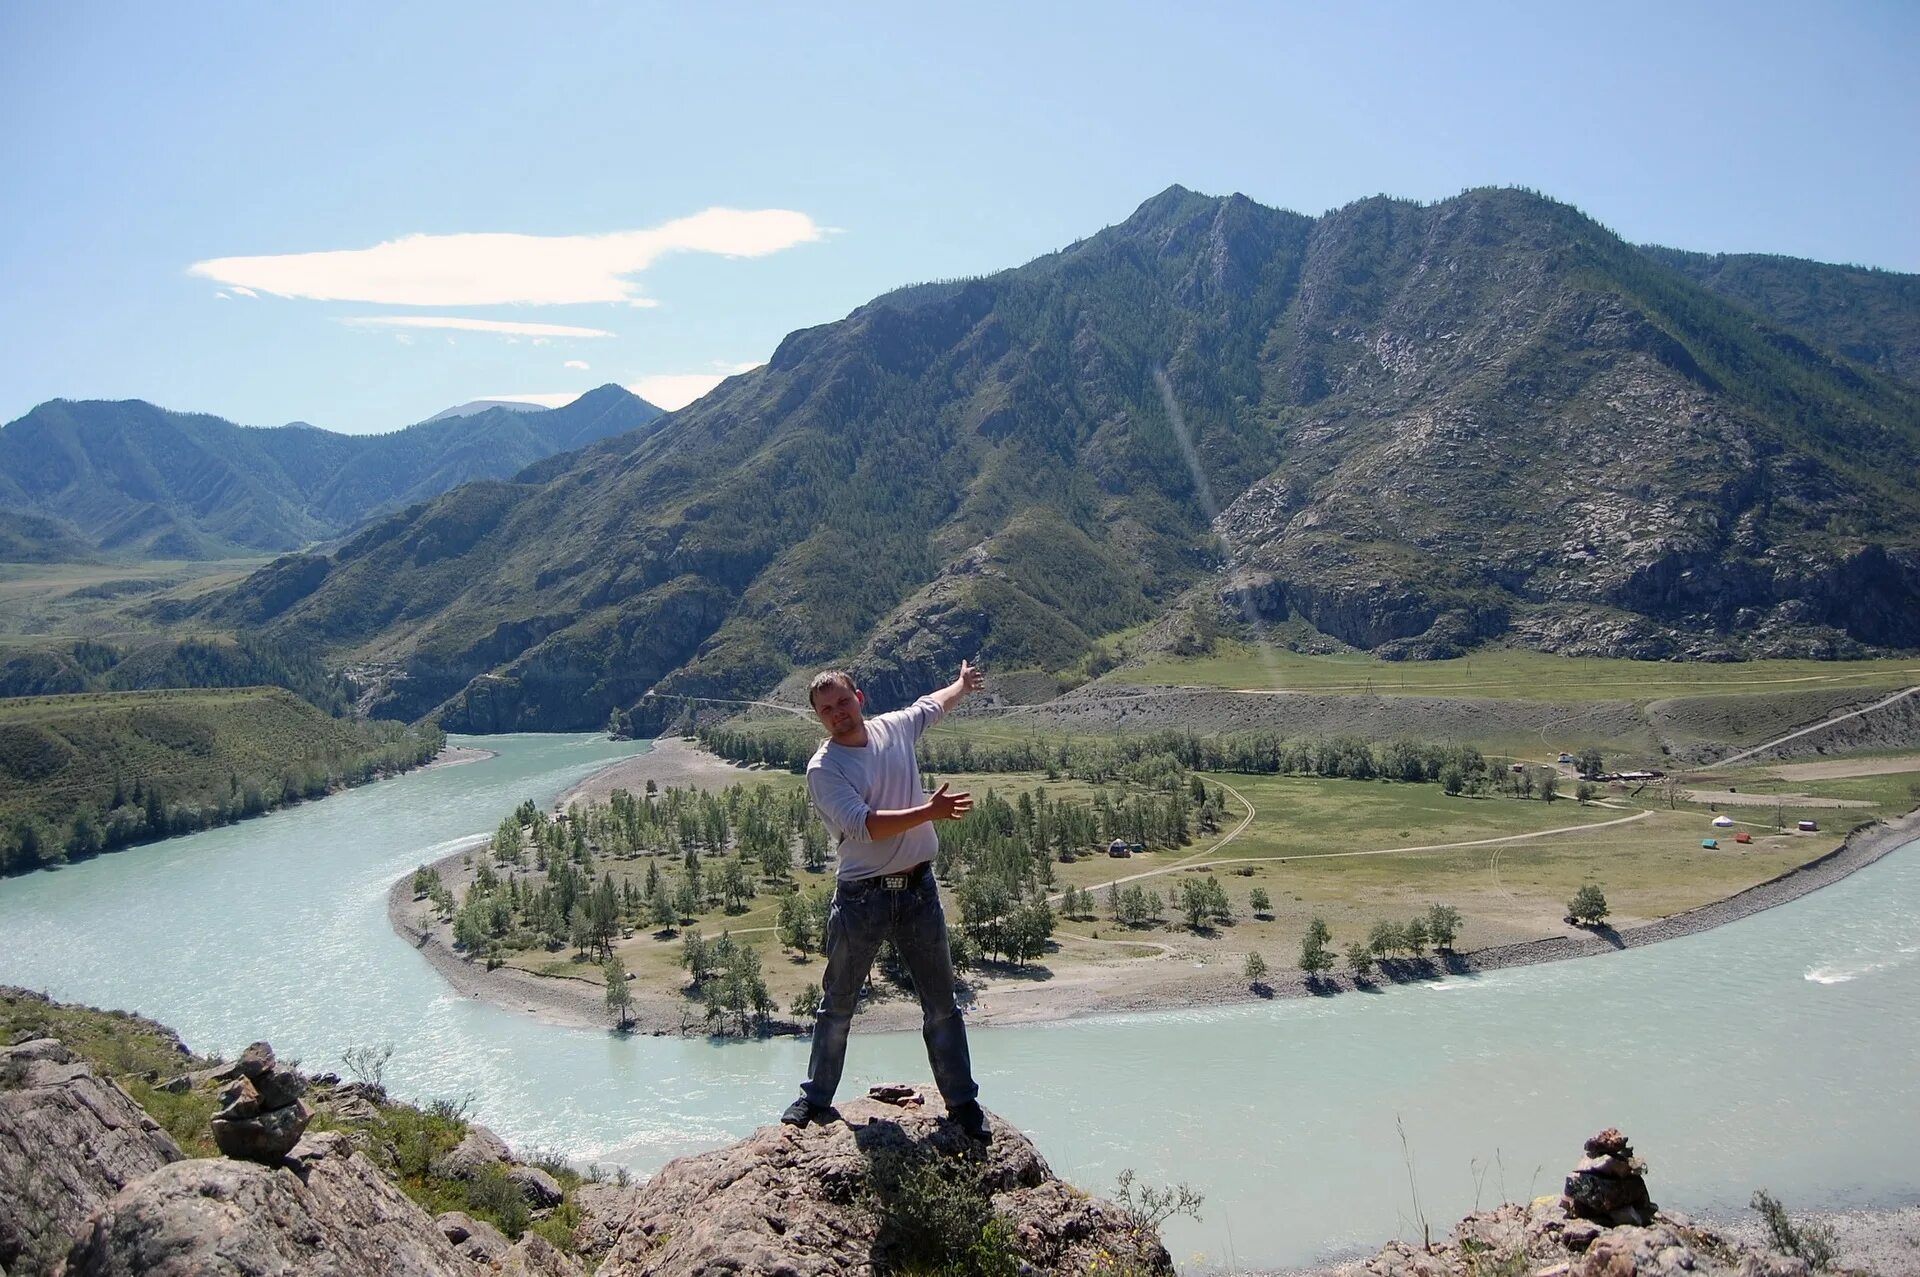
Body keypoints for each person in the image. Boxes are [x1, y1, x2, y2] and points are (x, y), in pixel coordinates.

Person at [782, 661, 989, 1141]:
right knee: (838, 1004)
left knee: (942, 1004)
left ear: (861, 698)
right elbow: (865, 826)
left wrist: (961, 684)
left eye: (842, 701)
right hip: (862, 900)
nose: (837, 713)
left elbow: (931, 706)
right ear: (820, 718)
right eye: (826, 709)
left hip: (919, 891)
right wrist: (931, 811)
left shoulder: (894, 729)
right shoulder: (825, 768)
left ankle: (962, 1104)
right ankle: (816, 1098)